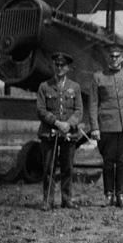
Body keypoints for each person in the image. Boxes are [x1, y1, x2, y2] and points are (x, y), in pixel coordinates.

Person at [89, 42, 123, 207]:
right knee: (108, 161)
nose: (113, 59)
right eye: (111, 56)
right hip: (106, 126)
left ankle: (121, 195)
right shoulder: (98, 77)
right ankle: (108, 194)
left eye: (117, 56)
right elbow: (93, 104)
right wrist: (95, 128)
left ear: (122, 58)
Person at [36, 51, 83, 210]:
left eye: (63, 65)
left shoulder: (75, 87)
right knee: (48, 168)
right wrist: (56, 122)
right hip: (49, 134)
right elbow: (41, 110)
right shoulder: (44, 86)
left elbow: (79, 111)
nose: (59, 68)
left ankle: (67, 199)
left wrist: (69, 124)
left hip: (69, 134)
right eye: (56, 65)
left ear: (68, 68)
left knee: (67, 167)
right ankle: (48, 200)